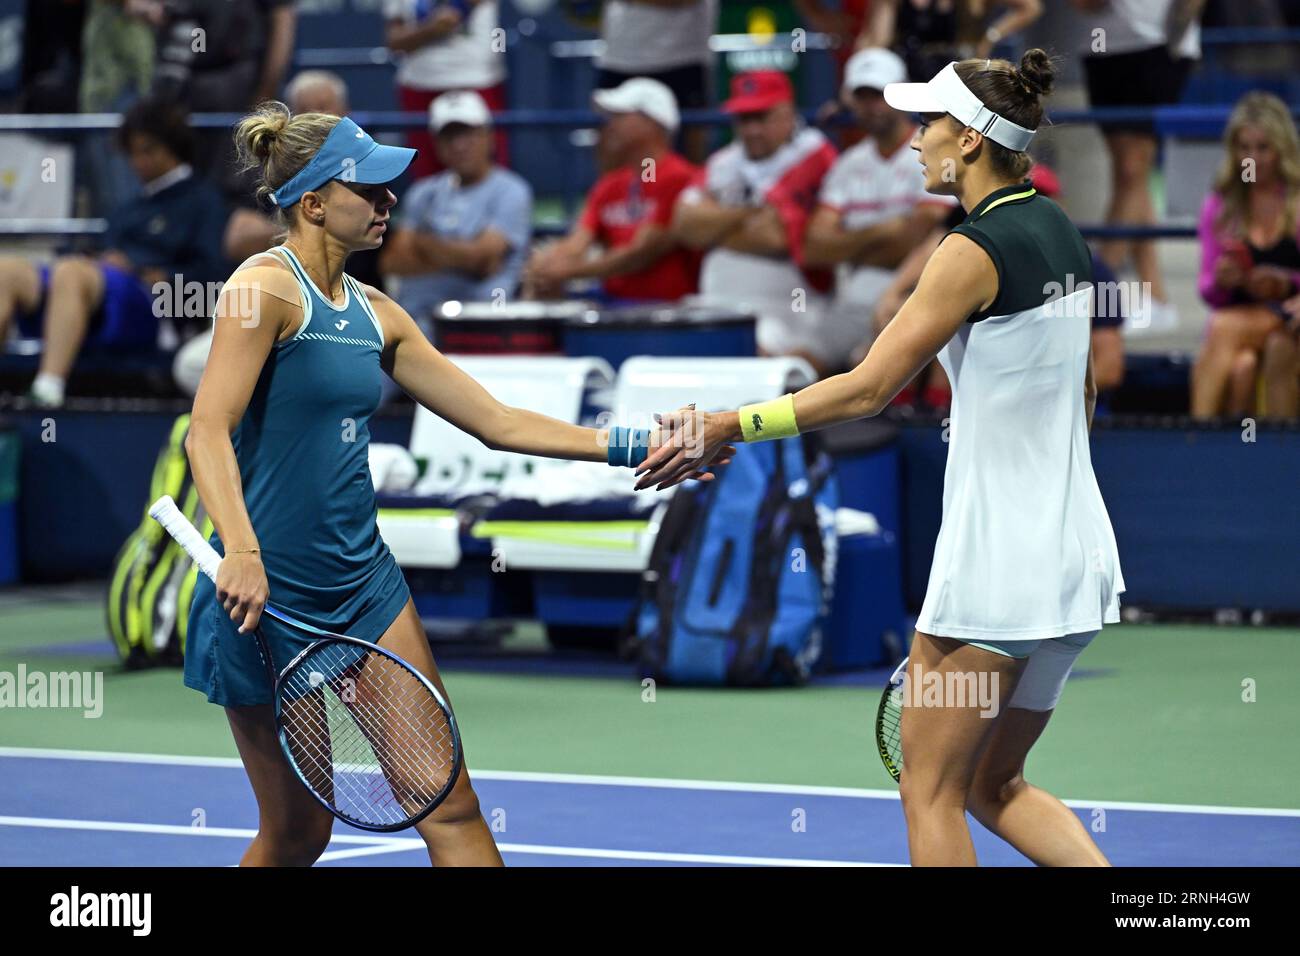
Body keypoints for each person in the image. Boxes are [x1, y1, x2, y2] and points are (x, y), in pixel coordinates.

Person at [183, 102, 732, 865]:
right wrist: (240, 549)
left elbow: (501, 422)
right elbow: (205, 428)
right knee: (298, 831)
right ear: (312, 203)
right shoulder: (262, 289)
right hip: (265, 593)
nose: (389, 201)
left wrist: (646, 442)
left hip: (362, 584)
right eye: (368, 189)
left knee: (450, 804)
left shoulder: (378, 314)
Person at [636, 51, 1123, 867]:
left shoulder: (970, 250)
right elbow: (1087, 389)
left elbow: (867, 390)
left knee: (928, 791)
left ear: (969, 140)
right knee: (992, 785)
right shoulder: (1058, 230)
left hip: (998, 572)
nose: (913, 141)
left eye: (928, 124)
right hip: (1075, 563)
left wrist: (729, 423)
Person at [0, 97, 228, 407]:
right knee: (8, 270)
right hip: (95, 289)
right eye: (133, 152)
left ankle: (48, 387)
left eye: (148, 150)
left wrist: (150, 274)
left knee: (70, 272)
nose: (138, 162)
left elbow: (213, 273)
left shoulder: (204, 201)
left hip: (152, 305)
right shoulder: (128, 207)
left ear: (172, 147)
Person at [672, 70, 838, 375]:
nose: (751, 130)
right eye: (743, 119)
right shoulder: (726, 160)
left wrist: (713, 225)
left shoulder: (813, 153)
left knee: (748, 361)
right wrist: (749, 212)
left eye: (762, 118)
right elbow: (684, 224)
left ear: (787, 113)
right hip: (716, 304)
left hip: (788, 308)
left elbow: (774, 236)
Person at [805, 48, 957, 374]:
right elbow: (815, 247)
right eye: (863, 97)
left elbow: (920, 240)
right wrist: (881, 232)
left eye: (880, 95)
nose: (872, 107)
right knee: (796, 365)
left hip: (915, 294)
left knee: (868, 369)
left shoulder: (930, 150)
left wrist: (848, 248)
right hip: (850, 301)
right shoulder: (848, 163)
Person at [1072, 0, 1207, 332]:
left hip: (1158, 46)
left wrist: (1174, 40)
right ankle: (1156, 298)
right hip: (1103, 47)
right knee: (1130, 172)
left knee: (1133, 168)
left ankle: (1098, 292)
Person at [525, 78, 699, 303]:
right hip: (614, 310)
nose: (610, 125)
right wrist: (547, 264)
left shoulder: (681, 178)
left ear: (651, 123)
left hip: (670, 314)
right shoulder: (611, 184)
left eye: (620, 116)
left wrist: (569, 271)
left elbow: (641, 253)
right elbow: (578, 241)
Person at [379, 90, 533, 327]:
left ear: (488, 136)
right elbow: (392, 262)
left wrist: (421, 245)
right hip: (419, 324)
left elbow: (481, 258)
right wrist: (464, 258)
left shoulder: (512, 191)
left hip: (484, 323)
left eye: (467, 133)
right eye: (449, 137)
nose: (459, 145)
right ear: (437, 144)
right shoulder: (423, 192)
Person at [1191, 91, 1300, 420]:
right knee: (1243, 365)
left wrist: (1287, 283)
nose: (1252, 159)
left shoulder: (1296, 202)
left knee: (1225, 330)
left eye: (1263, 148)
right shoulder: (1221, 206)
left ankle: (1195, 440)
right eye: (1244, 148)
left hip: (1290, 313)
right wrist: (1224, 281)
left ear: (1281, 149)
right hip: (1247, 319)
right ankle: (1246, 456)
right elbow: (1208, 290)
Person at [383, 0, 508, 180]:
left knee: (488, 174)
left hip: (479, 80)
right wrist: (431, 29)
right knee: (427, 176)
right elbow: (395, 42)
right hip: (420, 84)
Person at [594, 0, 718, 163]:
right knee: (614, 142)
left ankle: (667, 186)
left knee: (686, 154)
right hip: (619, 59)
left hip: (682, 60)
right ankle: (638, 187)